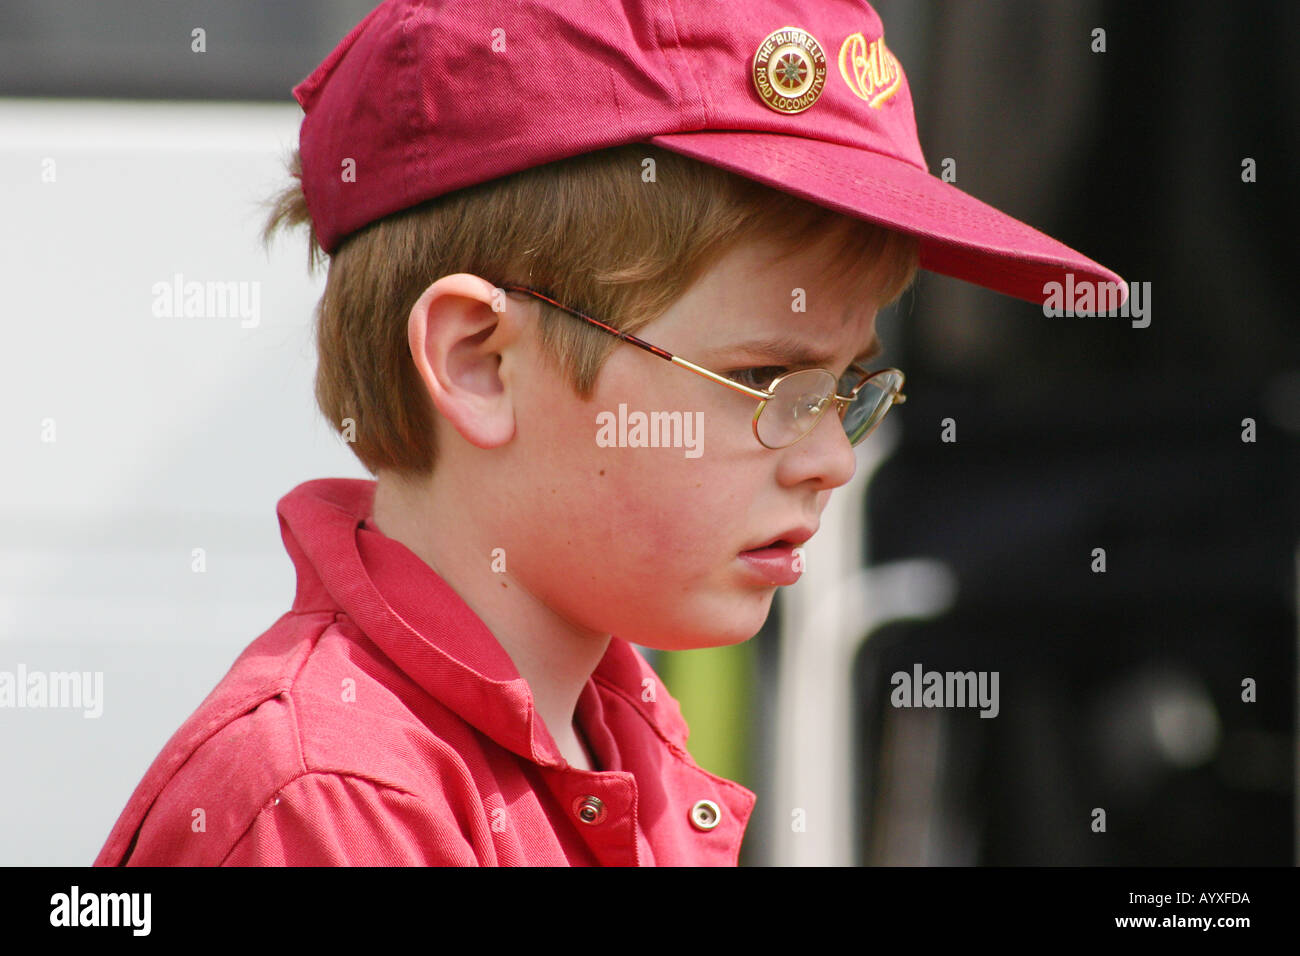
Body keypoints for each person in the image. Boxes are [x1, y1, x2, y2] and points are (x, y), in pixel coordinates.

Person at [94, 0, 1124, 866]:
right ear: (477, 362)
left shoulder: (611, 737)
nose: (832, 456)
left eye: (847, 383)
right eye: (763, 375)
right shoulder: (328, 804)